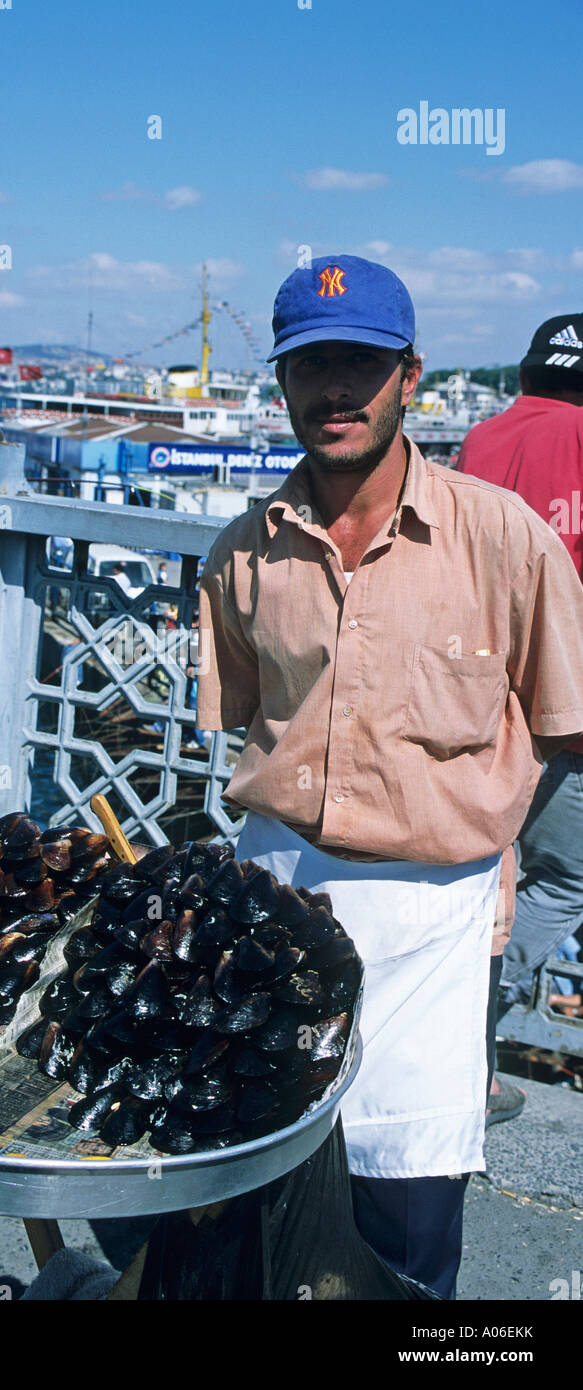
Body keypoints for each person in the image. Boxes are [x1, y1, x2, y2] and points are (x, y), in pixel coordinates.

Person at [197, 254, 583, 1298]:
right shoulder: (242, 553)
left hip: (434, 927)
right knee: (256, 1202)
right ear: (279, 383)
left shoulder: (503, 539)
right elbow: (245, 727)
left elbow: (564, 717)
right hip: (277, 901)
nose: (335, 389)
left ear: (409, 376)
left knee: (406, 1224)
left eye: (360, 364)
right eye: (311, 363)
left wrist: (491, 844)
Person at [457, 318, 583, 1032]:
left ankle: (447, 1011)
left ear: (527, 376)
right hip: (562, 706)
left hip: (469, 693)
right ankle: (476, 1020)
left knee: (475, 861)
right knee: (562, 878)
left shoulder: (480, 440)